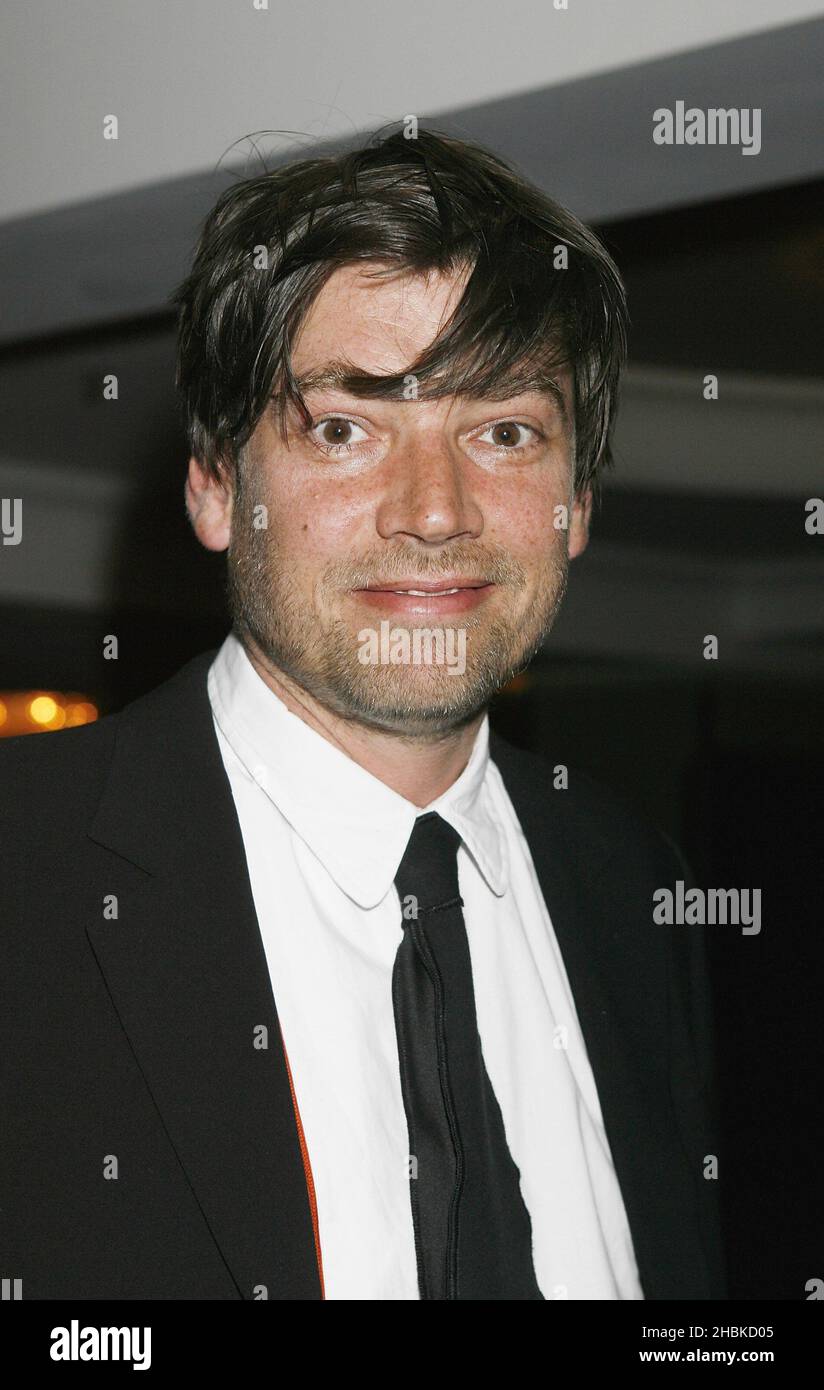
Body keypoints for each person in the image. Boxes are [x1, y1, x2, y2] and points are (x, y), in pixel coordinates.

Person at [0, 126, 726, 1300]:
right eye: (345, 426)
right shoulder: (22, 873)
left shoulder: (630, 885)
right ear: (213, 486)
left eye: (503, 431)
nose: (434, 511)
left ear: (576, 502)